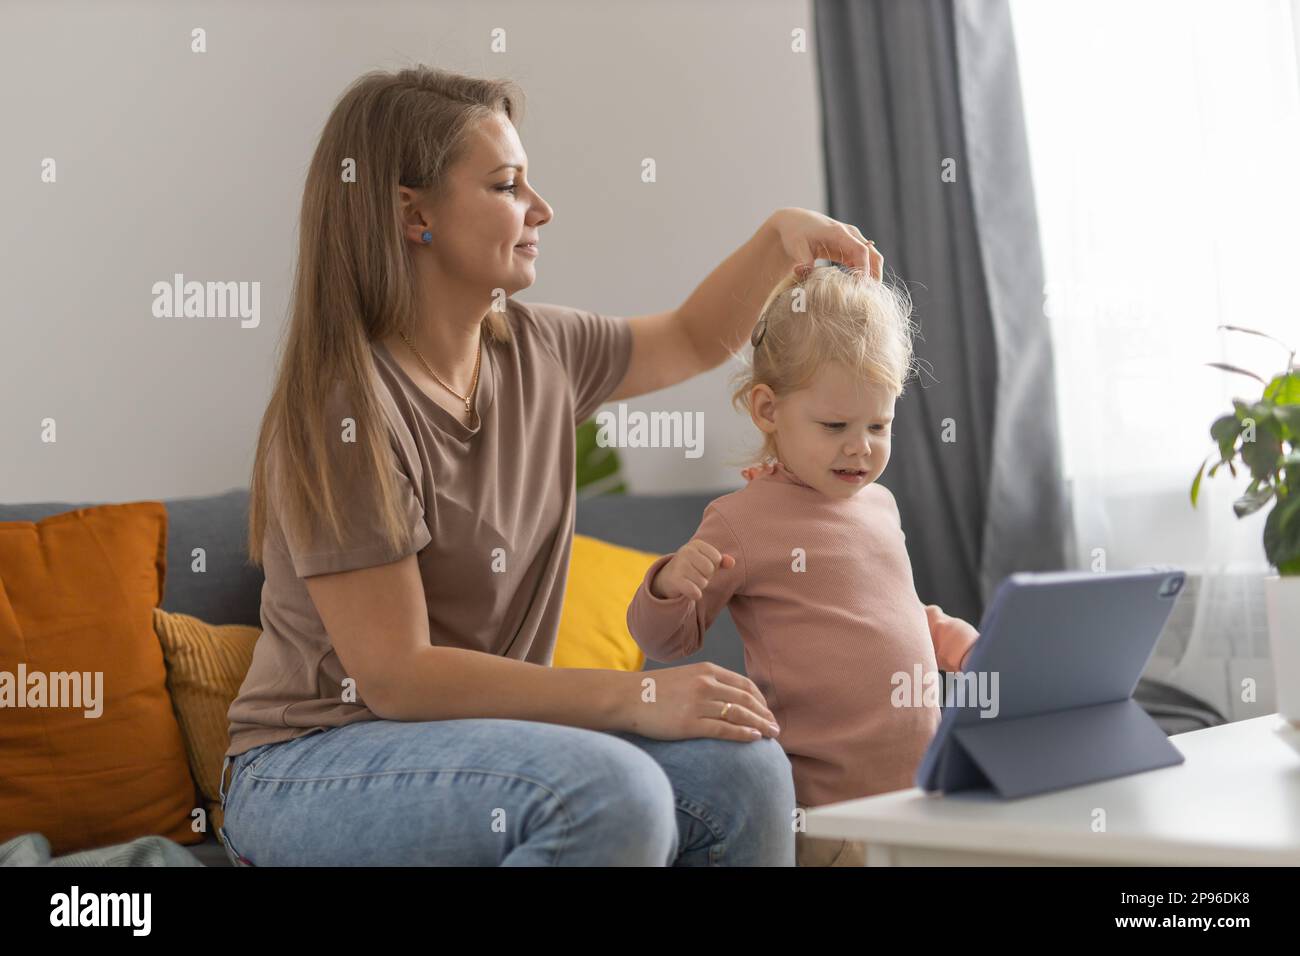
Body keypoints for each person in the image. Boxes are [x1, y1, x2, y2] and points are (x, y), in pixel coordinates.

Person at [217, 63, 884, 866]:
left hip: (489, 746)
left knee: (748, 772)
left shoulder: (542, 351)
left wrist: (781, 235)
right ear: (412, 213)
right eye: (506, 186)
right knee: (610, 791)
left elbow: (692, 339)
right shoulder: (347, 409)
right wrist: (637, 694)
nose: (542, 209)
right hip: (313, 764)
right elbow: (397, 678)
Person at [626, 266, 980, 866]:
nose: (859, 447)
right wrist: (666, 585)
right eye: (835, 426)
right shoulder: (740, 520)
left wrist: (949, 637)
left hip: (920, 796)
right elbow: (666, 640)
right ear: (768, 409)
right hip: (825, 814)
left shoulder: (881, 504)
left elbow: (885, 610)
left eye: (879, 425)